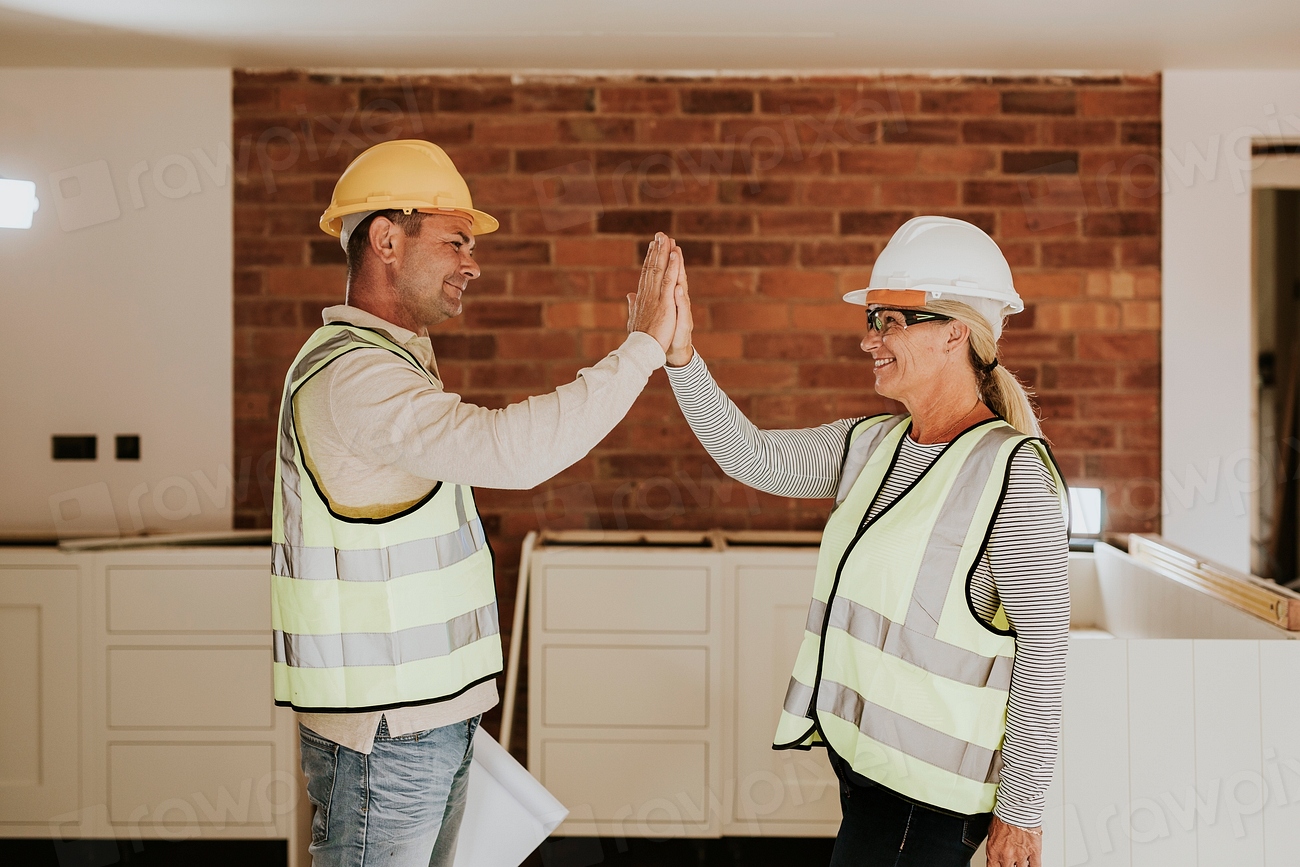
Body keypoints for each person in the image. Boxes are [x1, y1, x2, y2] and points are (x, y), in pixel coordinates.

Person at [270, 139, 684, 867]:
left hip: (423, 720)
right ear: (387, 239)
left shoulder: (392, 363)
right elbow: (512, 451)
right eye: (456, 240)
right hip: (386, 734)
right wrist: (642, 347)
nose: (474, 262)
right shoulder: (355, 377)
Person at [662, 216, 1069, 867]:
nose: (868, 339)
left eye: (890, 321)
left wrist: (1020, 811)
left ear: (954, 333)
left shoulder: (1012, 472)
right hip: (867, 770)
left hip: (930, 796)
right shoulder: (873, 445)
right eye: (872, 320)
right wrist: (681, 355)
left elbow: (1045, 651)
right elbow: (754, 456)